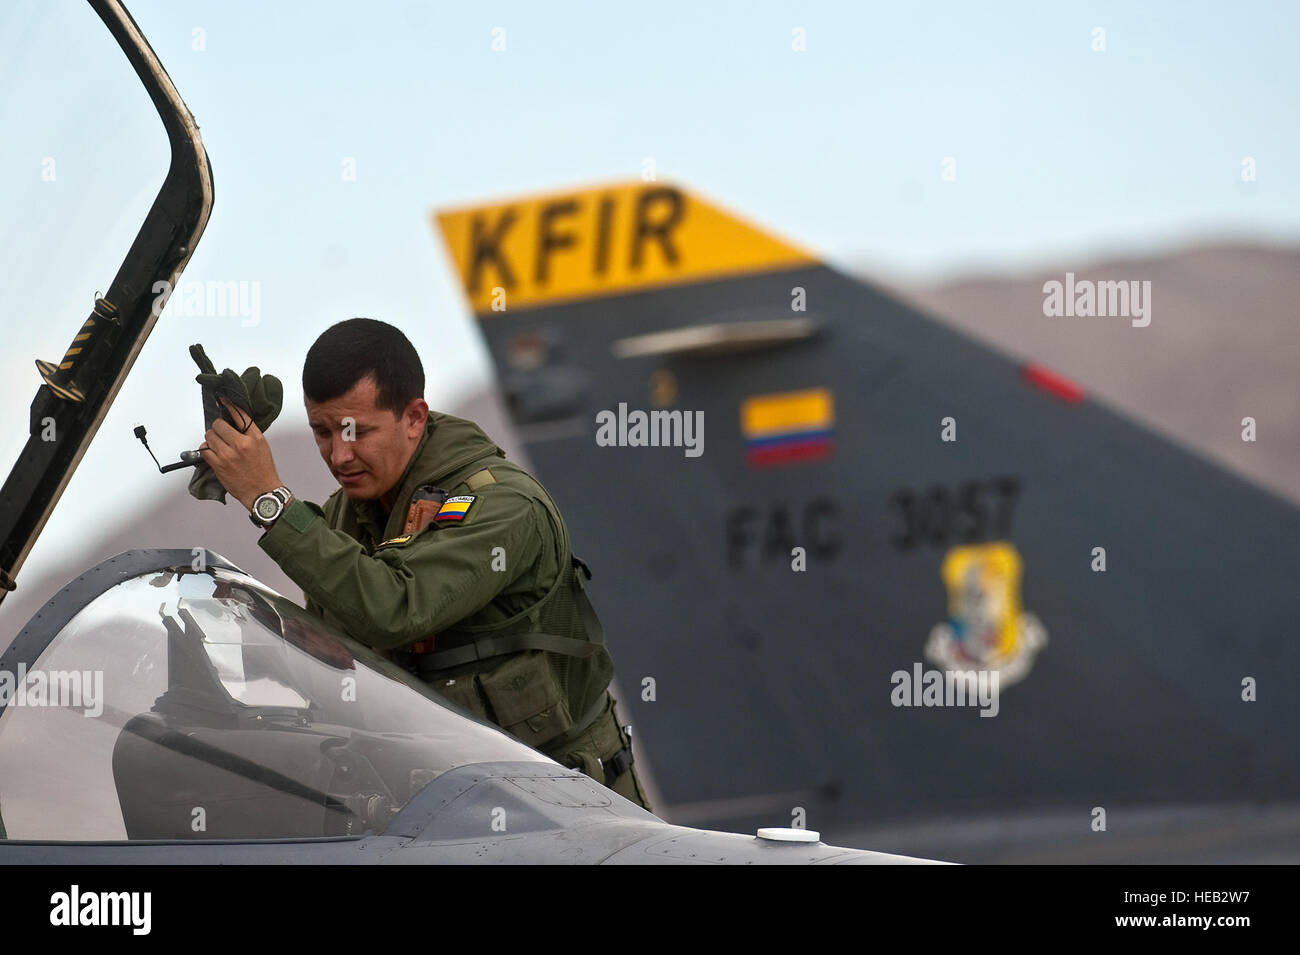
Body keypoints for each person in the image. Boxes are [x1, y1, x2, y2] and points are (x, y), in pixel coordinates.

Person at [197, 317, 650, 809]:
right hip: (452, 809)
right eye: (322, 432)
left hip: (575, 816)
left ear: (414, 418)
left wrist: (270, 501)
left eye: (357, 432)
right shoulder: (348, 517)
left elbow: (394, 608)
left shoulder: (503, 506)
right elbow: (338, 659)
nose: (340, 454)